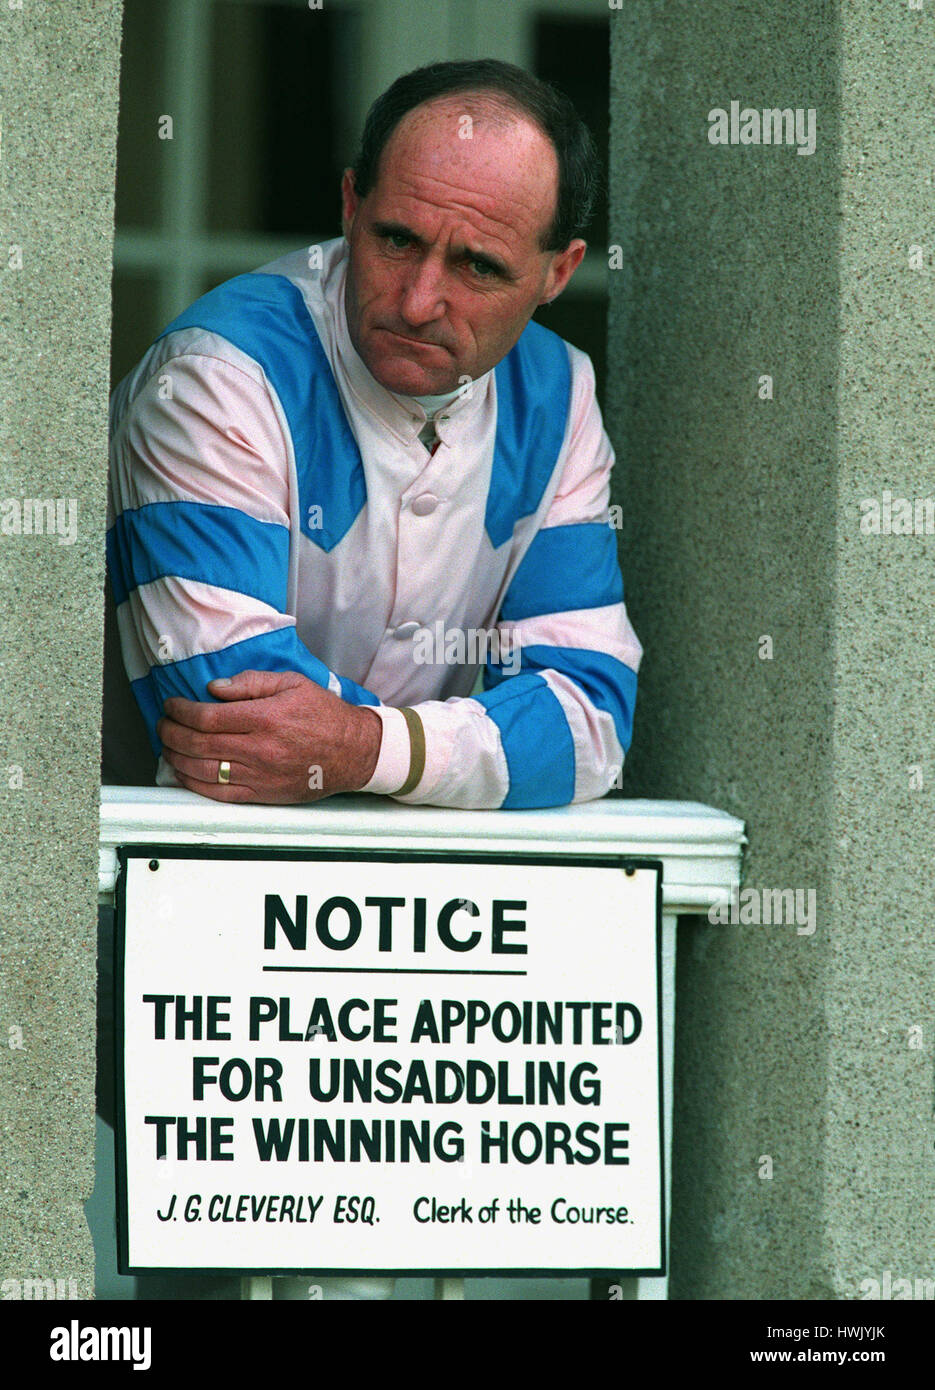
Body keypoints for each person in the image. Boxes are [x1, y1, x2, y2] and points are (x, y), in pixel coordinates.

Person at [103, 58, 643, 811]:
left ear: (558, 273)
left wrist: (364, 746)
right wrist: (466, 754)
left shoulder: (560, 394)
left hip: (400, 902)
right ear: (351, 203)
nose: (420, 301)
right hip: (142, 883)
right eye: (397, 239)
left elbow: (590, 723)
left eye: (478, 266)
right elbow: (231, 712)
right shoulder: (220, 372)